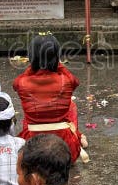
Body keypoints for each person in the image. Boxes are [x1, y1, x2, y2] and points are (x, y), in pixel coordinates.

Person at [13, 33, 86, 163]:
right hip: (66, 149)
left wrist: (35, 65)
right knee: (71, 105)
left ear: (31, 56)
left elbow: (16, 84)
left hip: (32, 148)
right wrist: (55, 63)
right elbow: (75, 81)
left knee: (29, 111)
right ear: (57, 56)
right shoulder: (67, 80)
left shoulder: (22, 82)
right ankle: (78, 137)